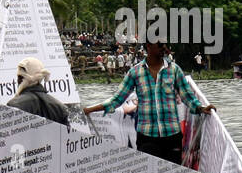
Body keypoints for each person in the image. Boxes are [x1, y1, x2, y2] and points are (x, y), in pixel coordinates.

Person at [83, 38, 215, 163]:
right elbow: (117, 100)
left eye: (164, 44)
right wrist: (90, 110)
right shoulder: (135, 72)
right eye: (159, 44)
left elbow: (188, 96)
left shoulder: (174, 70)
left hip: (172, 135)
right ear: (148, 46)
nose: (163, 47)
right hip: (147, 136)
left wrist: (201, 108)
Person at [6, 57, 69, 126]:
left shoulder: (14, 105)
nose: (17, 80)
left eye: (19, 77)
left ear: (21, 79)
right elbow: (66, 135)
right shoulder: (60, 108)